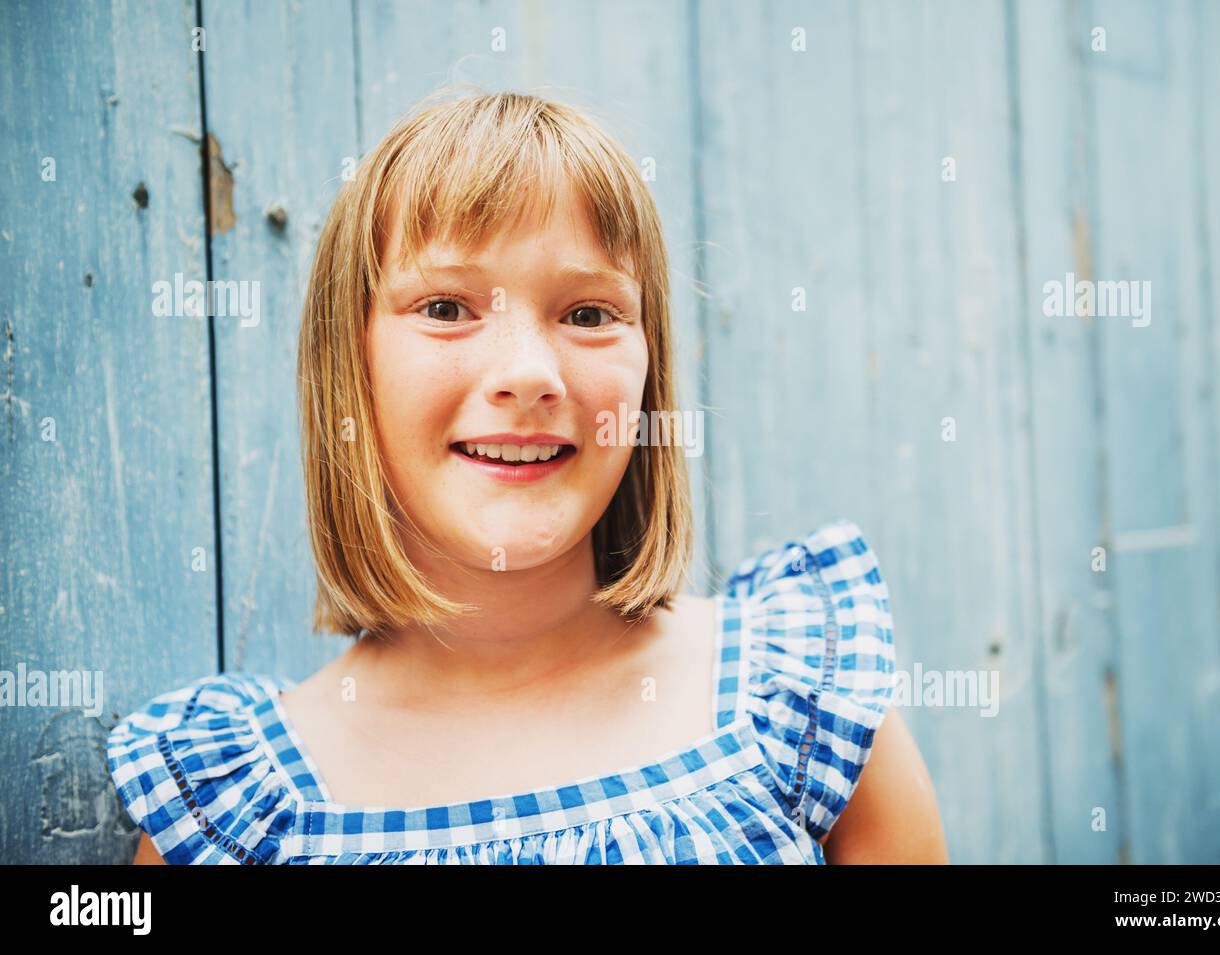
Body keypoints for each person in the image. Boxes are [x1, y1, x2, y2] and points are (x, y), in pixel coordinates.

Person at [107, 89, 946, 865]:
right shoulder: (233, 816)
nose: (528, 372)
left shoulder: (799, 701)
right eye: (445, 308)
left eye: (588, 314)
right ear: (347, 366)